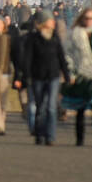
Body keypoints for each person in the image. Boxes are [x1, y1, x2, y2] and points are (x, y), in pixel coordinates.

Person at [20, 10, 70, 145]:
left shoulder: (54, 37)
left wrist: (66, 75)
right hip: (38, 77)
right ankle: (40, 133)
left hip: (53, 76)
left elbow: (61, 57)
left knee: (51, 107)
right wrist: (27, 76)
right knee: (40, 107)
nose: (54, 22)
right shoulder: (33, 38)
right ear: (44, 22)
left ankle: (50, 136)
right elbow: (28, 59)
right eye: (51, 20)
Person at [64, 8, 92, 147]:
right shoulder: (74, 34)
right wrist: (70, 73)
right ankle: (80, 138)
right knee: (80, 108)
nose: (89, 21)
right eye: (87, 18)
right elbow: (68, 54)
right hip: (80, 75)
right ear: (82, 18)